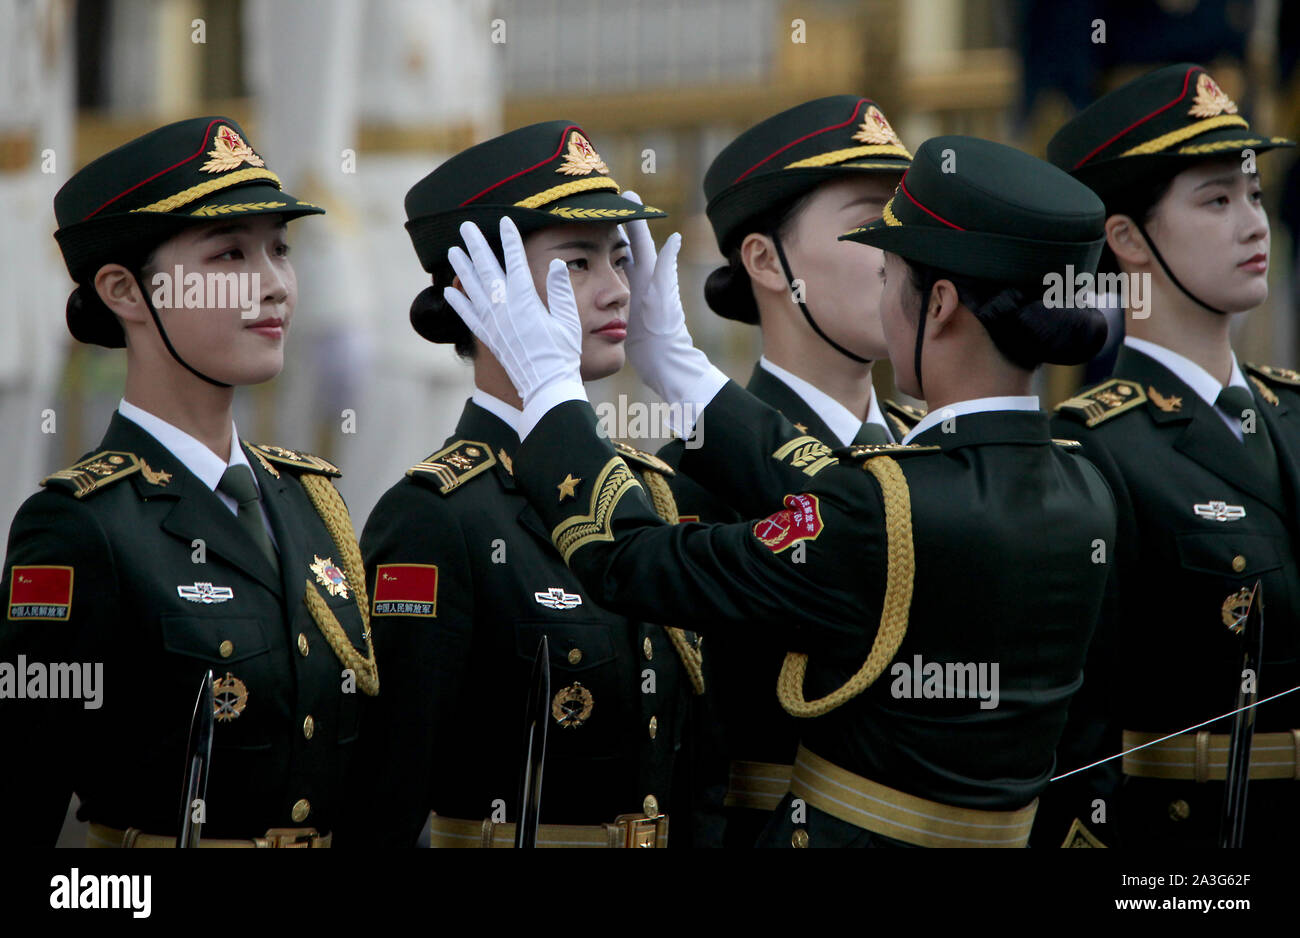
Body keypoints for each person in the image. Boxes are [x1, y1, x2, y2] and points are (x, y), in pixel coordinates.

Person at [443, 135, 1118, 847]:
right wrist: (680, 373)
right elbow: (836, 489)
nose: (881, 293)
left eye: (890, 275)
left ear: (940, 304)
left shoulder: (885, 506)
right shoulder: (1083, 484)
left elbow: (630, 557)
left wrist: (551, 395)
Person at [0, 117, 375, 848]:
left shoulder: (310, 501)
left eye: (280, 250)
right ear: (125, 291)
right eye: (230, 254)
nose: (273, 287)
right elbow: (21, 797)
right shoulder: (80, 528)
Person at [348, 121, 704, 848]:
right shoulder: (436, 518)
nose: (614, 291)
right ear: (482, 290)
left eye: (618, 259)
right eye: (577, 262)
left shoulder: (652, 494)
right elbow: (387, 797)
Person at [1041, 63, 1299, 847]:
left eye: (1253, 194)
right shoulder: (1096, 447)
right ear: (1127, 238)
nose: (1253, 223)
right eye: (1216, 200)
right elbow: (1074, 739)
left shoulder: (1293, 412)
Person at [659, 95, 919, 845]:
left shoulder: (928, 454)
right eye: (871, 217)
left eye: (907, 217)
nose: (900, 247)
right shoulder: (693, 479)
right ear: (767, 260)